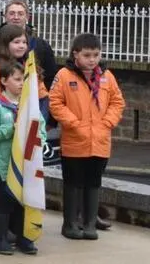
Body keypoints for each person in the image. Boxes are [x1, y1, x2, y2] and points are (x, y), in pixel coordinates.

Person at [49, 34, 125, 241]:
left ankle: (90, 223)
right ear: (76, 54)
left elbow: (117, 102)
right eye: (87, 55)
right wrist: (74, 123)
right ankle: (70, 223)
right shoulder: (64, 75)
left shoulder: (107, 76)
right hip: (75, 139)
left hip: (100, 140)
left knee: (93, 182)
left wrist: (107, 122)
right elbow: (56, 102)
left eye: (96, 55)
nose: (92, 60)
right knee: (73, 182)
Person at [0, 61, 43, 255]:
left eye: (23, 80)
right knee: (5, 200)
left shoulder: (30, 106)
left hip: (26, 164)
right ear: (3, 81)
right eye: (17, 79)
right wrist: (11, 129)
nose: (21, 84)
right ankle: (0, 238)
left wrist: (37, 138)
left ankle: (22, 237)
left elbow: (41, 129)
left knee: (23, 201)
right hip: (3, 165)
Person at [0, 0, 57, 90]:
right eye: (12, 13)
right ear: (5, 16)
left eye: (20, 14)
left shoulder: (41, 45)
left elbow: (49, 77)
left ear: (27, 17)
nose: (16, 17)